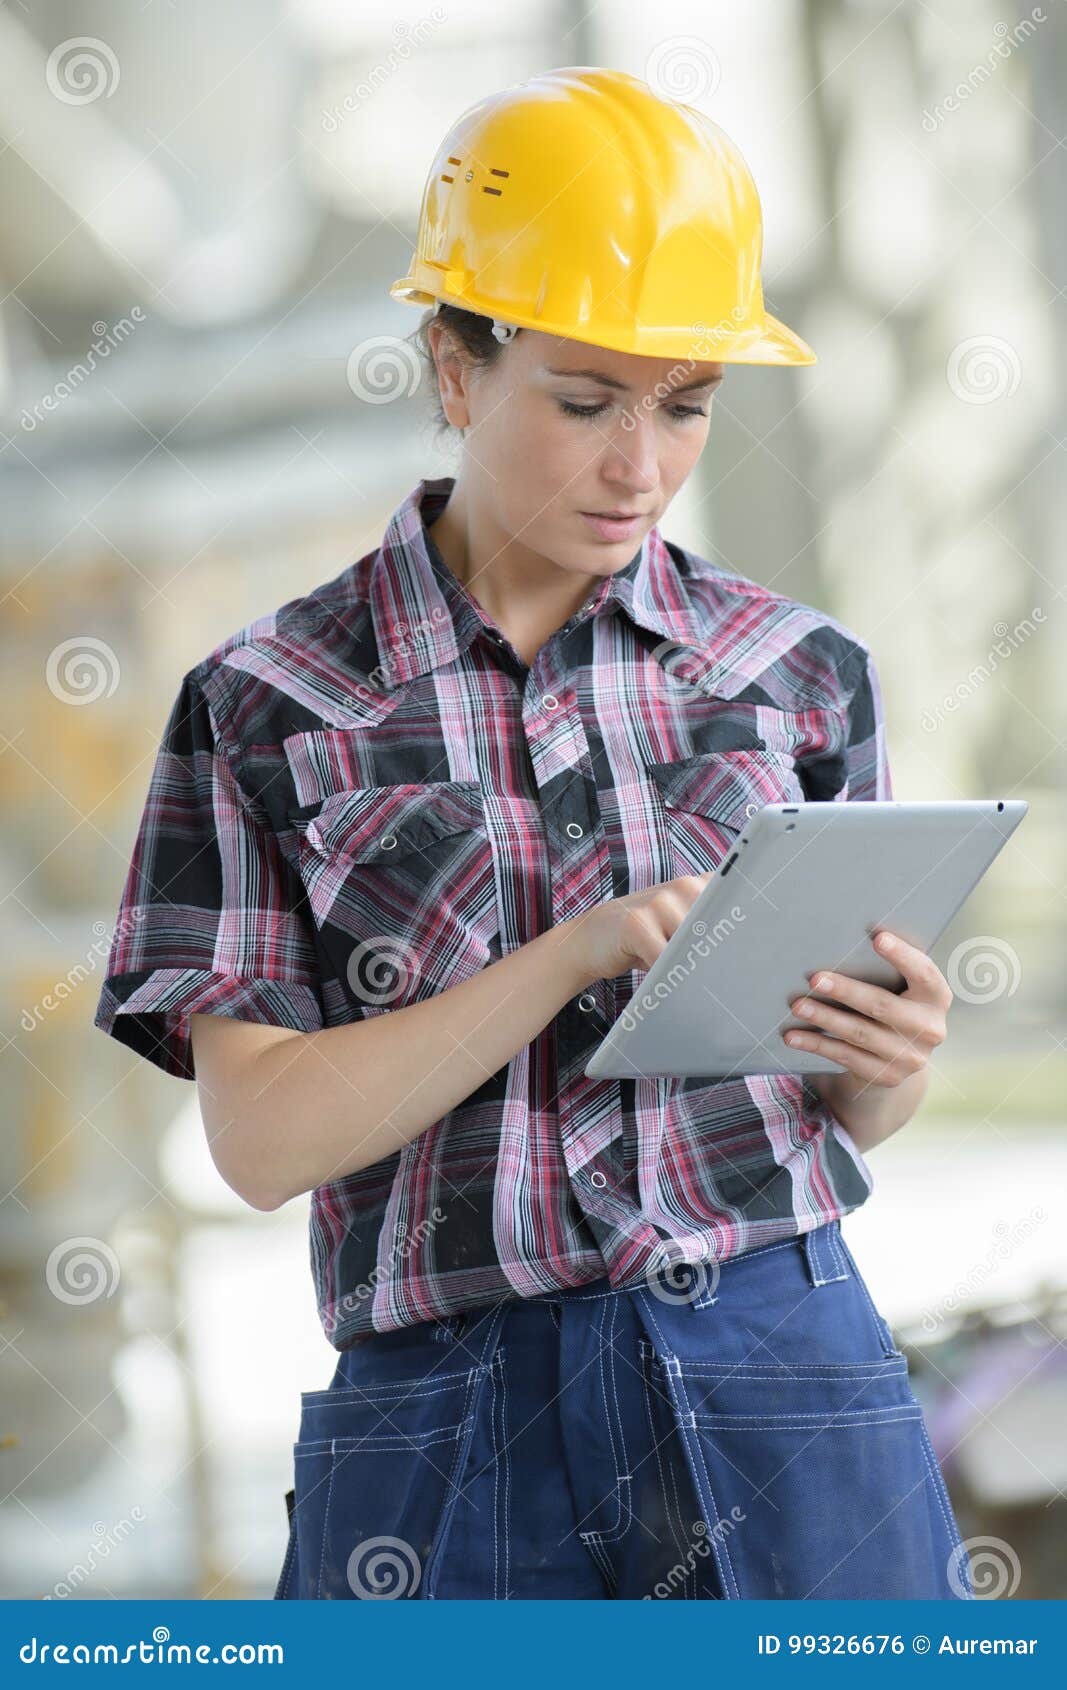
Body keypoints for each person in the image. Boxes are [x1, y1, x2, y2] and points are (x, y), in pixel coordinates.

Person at [94, 66, 972, 1601]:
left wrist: (885, 1059)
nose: (642, 465)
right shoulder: (266, 705)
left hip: (784, 1371)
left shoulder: (797, 674)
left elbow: (852, 1117)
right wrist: (572, 955)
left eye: (686, 405)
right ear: (454, 366)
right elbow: (262, 1142)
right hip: (453, 1431)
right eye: (584, 401)